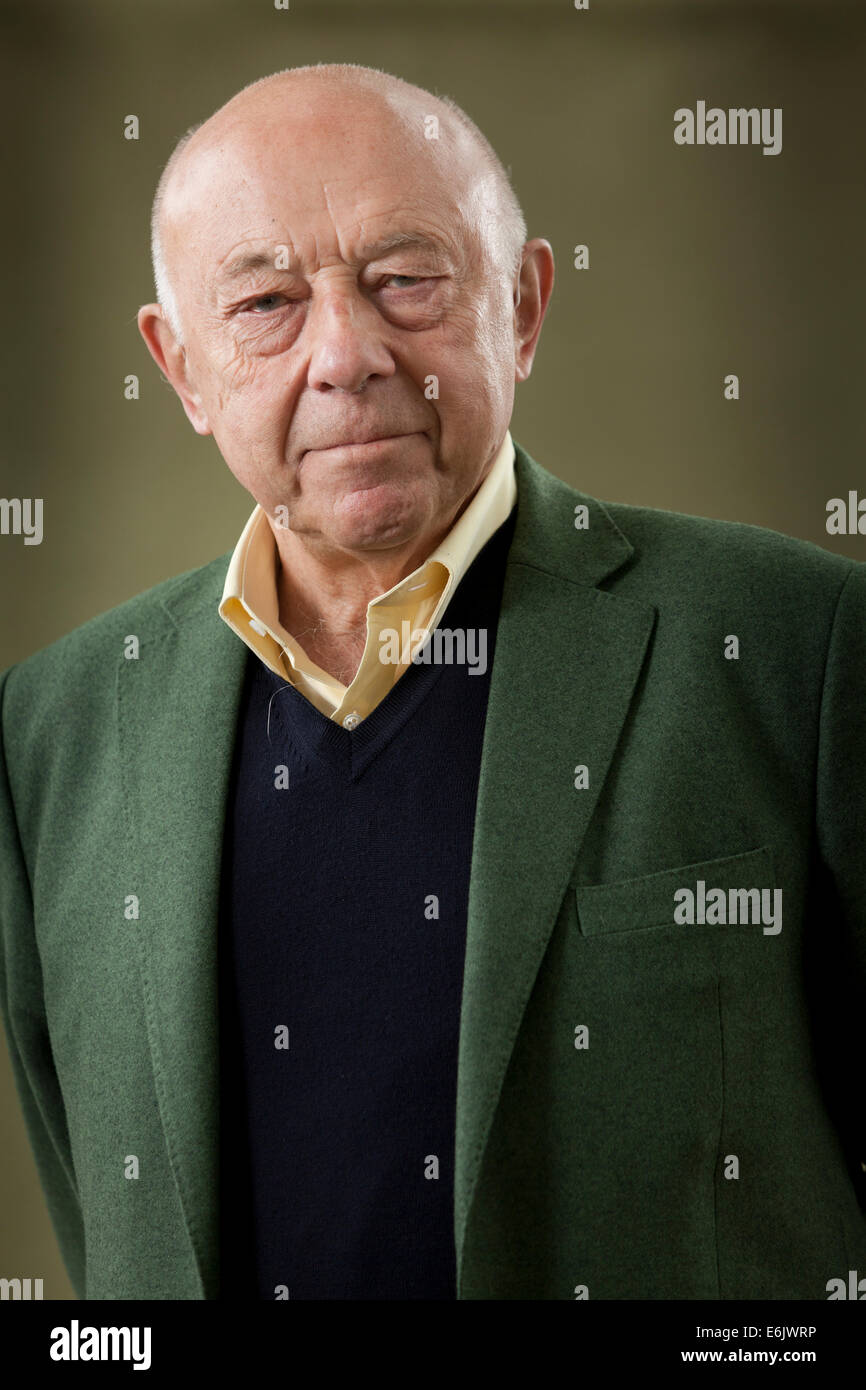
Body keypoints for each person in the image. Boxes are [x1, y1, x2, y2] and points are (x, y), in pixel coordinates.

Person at [1, 62, 864, 1302]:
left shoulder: (798, 648)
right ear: (182, 366)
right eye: (263, 302)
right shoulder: (49, 732)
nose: (347, 355)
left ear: (519, 307)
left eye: (405, 279)